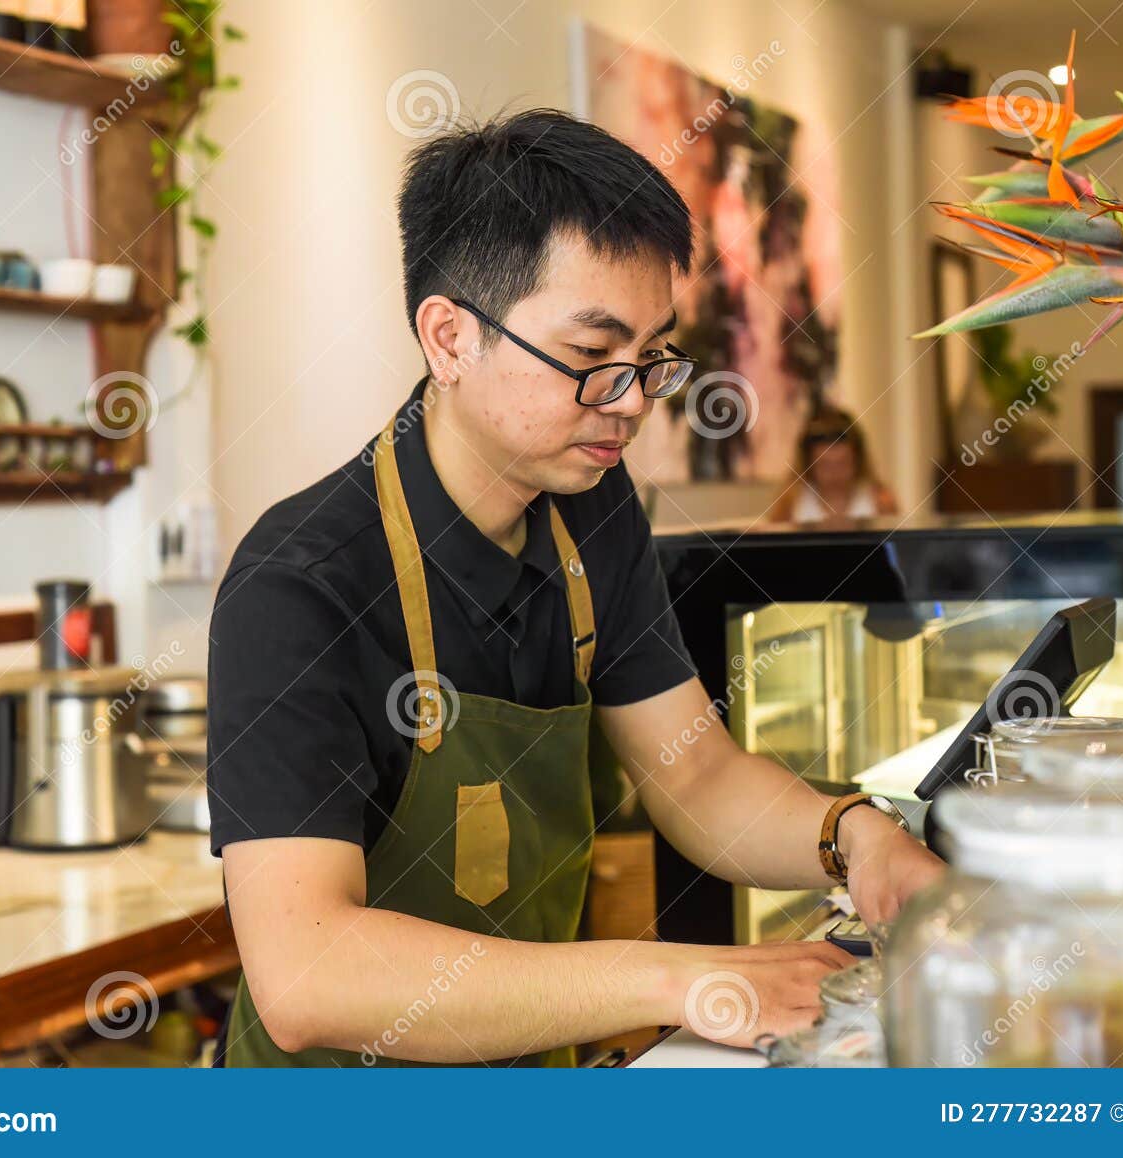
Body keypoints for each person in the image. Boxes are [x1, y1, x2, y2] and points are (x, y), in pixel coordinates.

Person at [206, 109, 943, 1068]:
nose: (632, 400)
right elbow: (309, 976)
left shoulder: (590, 508)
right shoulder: (299, 583)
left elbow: (694, 773)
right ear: (450, 338)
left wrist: (857, 837)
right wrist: (682, 980)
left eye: (648, 357)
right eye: (593, 358)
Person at [770, 404, 899, 524]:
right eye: (825, 466)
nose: (834, 473)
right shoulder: (790, 502)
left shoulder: (881, 501)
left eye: (841, 464)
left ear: (857, 460)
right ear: (809, 463)